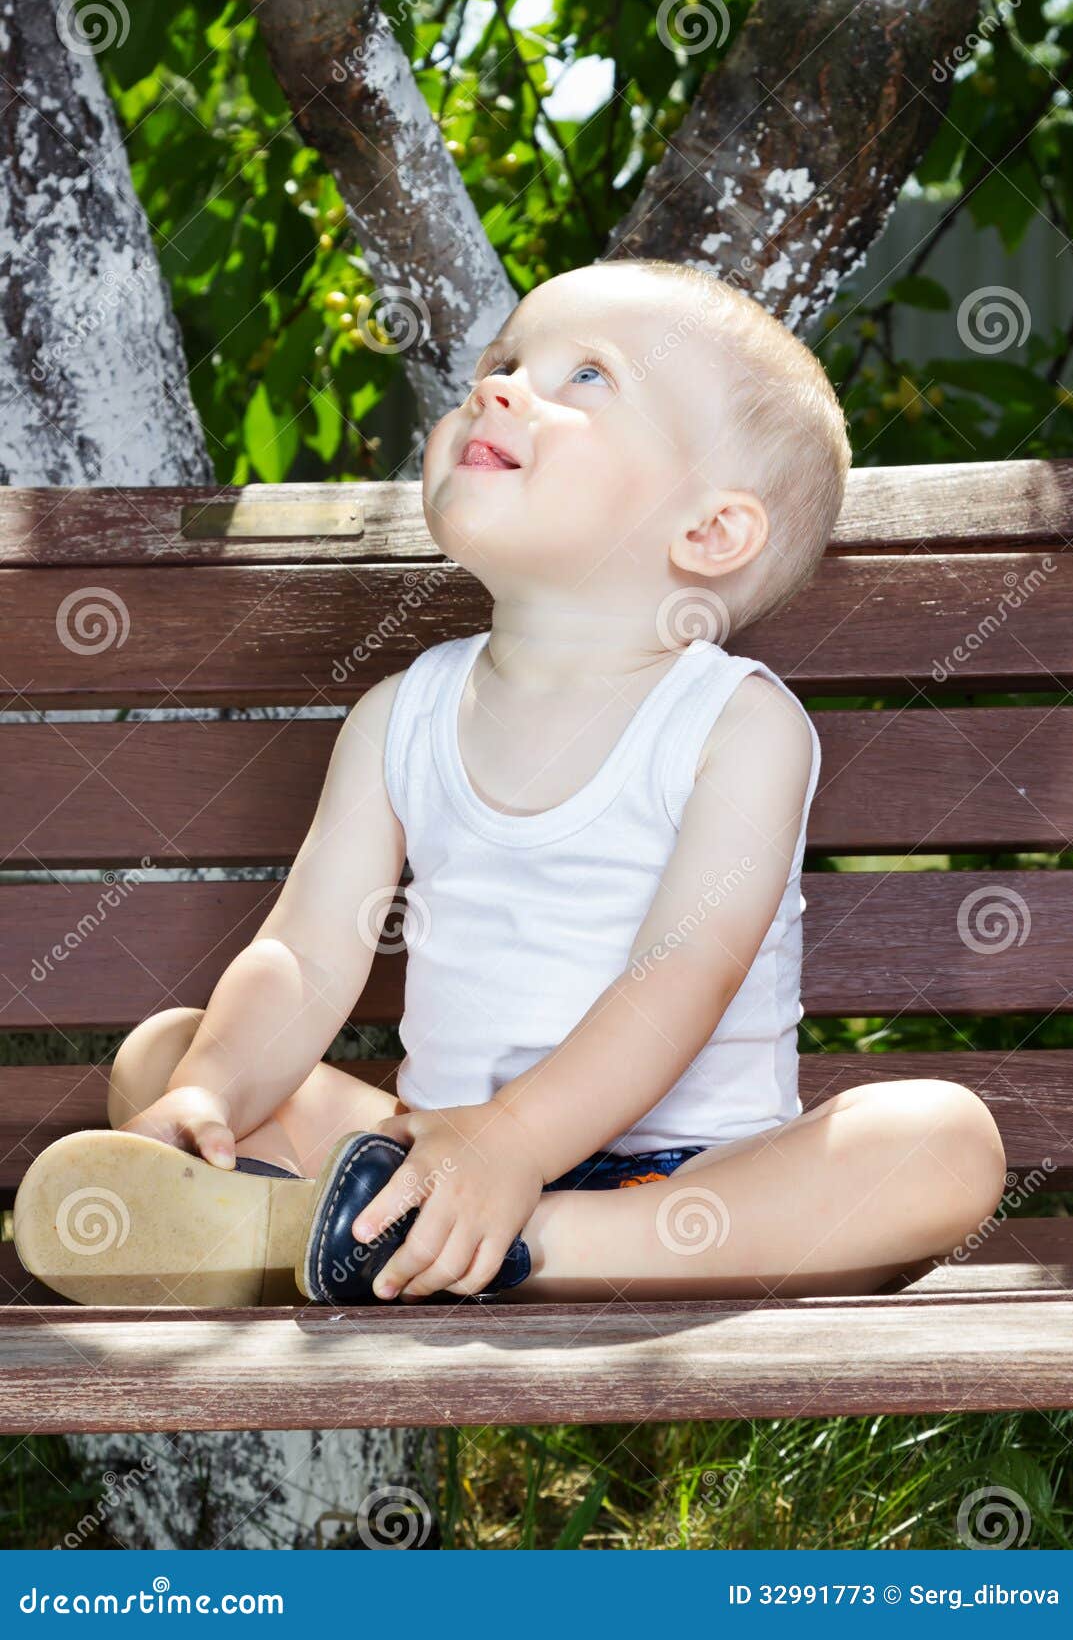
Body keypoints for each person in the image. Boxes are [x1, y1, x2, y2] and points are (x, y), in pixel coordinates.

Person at [14, 259, 1006, 1308]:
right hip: (425, 1155)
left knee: (941, 1142)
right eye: (503, 362)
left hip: (681, 1189)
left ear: (708, 530)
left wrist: (513, 1149)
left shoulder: (734, 726)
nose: (497, 387)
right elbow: (303, 955)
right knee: (164, 1059)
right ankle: (370, 1228)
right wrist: (211, 1092)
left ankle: (525, 1243)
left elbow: (679, 977)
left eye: (585, 377)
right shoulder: (401, 717)